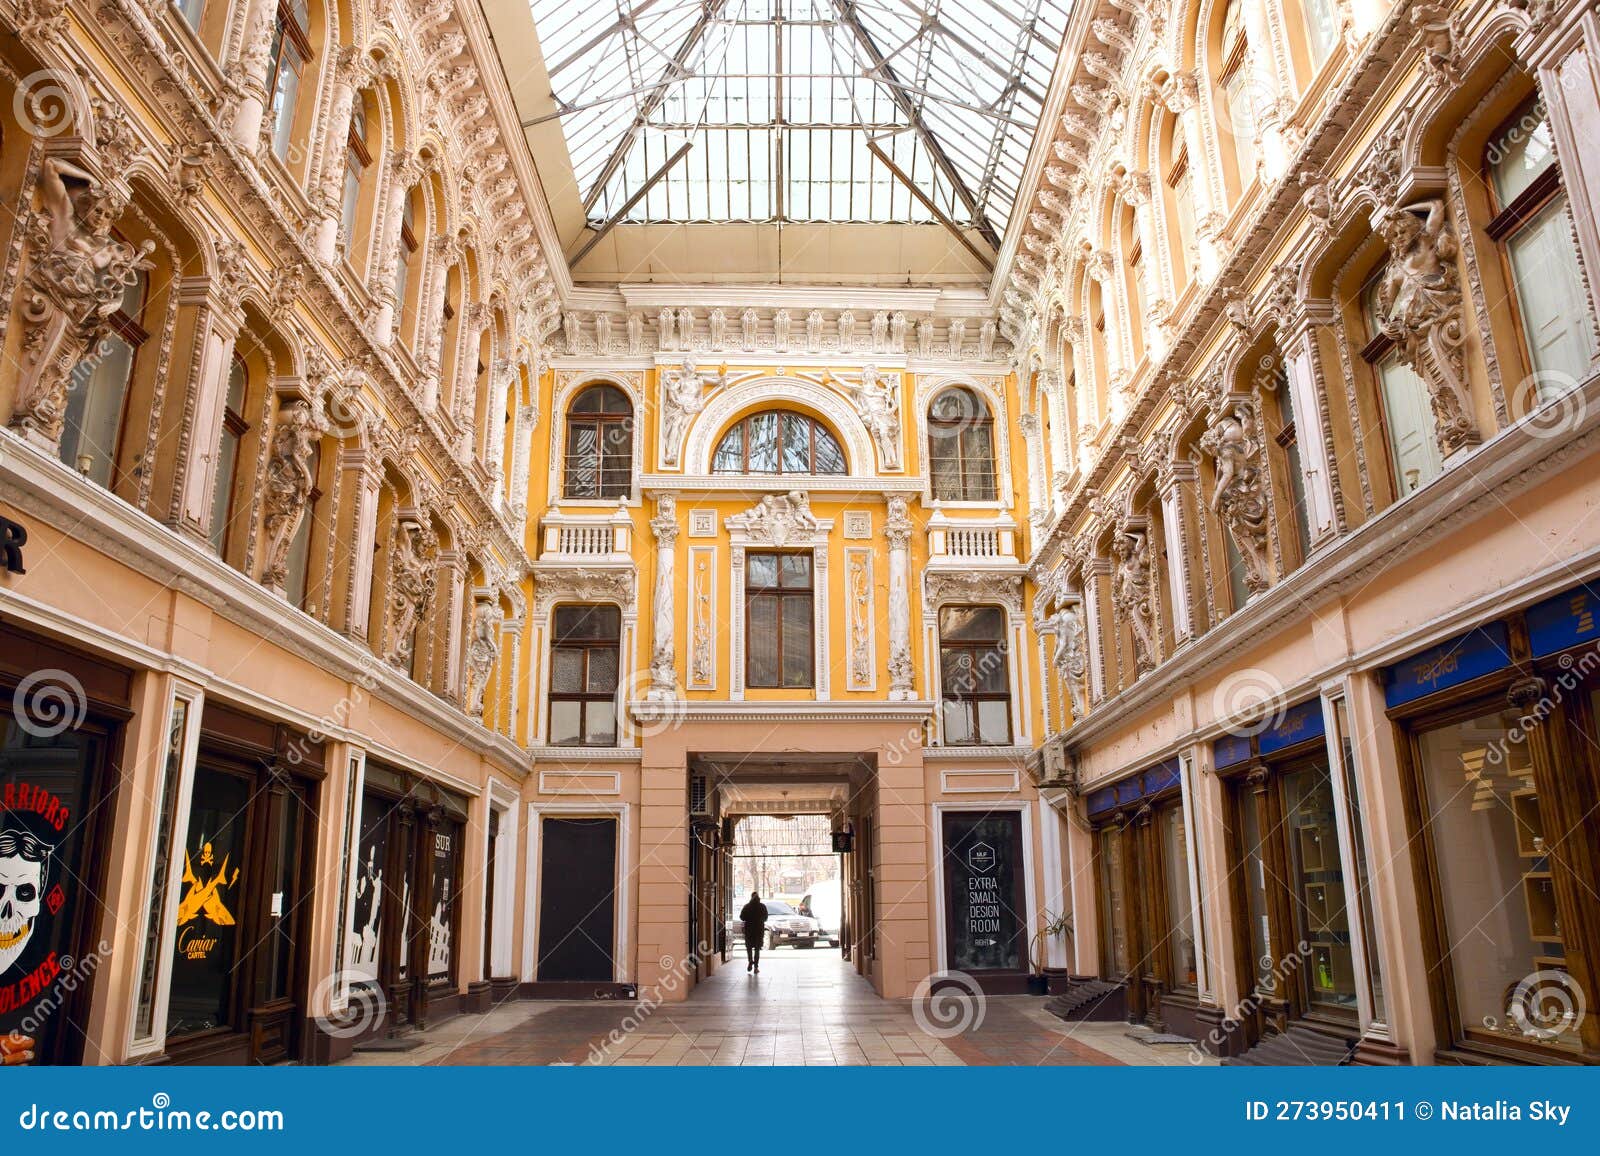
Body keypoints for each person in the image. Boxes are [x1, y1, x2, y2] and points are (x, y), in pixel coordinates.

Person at [739, 891, 769, 974]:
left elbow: (741, 917)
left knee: (749, 948)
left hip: (749, 930)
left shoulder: (747, 906)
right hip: (759, 930)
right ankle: (756, 967)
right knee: (757, 949)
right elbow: (766, 918)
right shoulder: (762, 906)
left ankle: (750, 961)